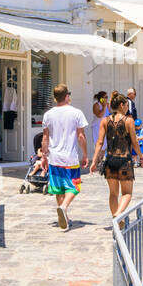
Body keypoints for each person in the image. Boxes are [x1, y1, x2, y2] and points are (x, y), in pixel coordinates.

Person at [41, 83, 89, 230]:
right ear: (67, 96)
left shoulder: (48, 114)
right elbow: (81, 136)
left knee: (59, 189)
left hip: (54, 158)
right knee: (74, 186)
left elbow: (45, 138)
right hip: (70, 158)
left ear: (55, 98)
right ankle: (64, 207)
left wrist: (44, 156)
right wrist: (86, 154)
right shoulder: (76, 113)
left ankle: (64, 218)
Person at [91, 93, 139, 218]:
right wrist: (141, 156)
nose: (128, 108)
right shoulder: (129, 121)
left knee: (113, 193)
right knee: (127, 193)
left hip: (110, 160)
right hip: (124, 161)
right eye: (127, 105)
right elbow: (134, 142)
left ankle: (116, 219)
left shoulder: (105, 121)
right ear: (122, 105)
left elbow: (100, 142)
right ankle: (118, 214)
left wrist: (94, 161)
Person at [125, 87, 143, 167]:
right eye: (134, 94)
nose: (135, 95)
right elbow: (129, 114)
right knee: (131, 142)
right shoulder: (129, 102)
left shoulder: (127, 101)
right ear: (130, 94)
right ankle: (131, 160)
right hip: (129, 125)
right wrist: (132, 127)